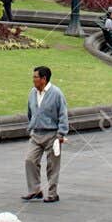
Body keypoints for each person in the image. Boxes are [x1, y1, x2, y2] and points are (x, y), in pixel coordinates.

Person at [23, 66, 68, 203]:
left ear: (44, 79)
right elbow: (30, 112)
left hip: (52, 135)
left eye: (35, 77)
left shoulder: (56, 93)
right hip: (36, 134)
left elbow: (63, 114)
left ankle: (53, 194)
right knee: (30, 160)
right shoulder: (32, 93)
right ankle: (35, 190)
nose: (33, 79)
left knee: (52, 166)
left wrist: (61, 134)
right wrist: (31, 127)